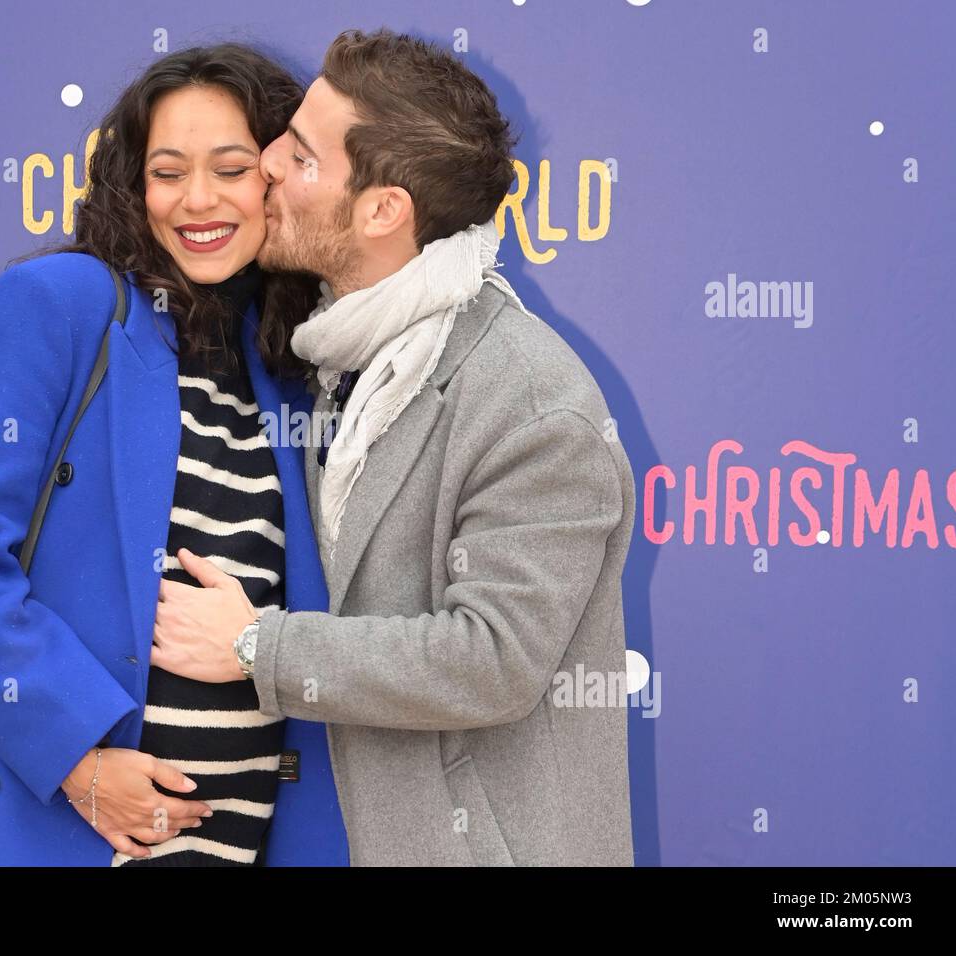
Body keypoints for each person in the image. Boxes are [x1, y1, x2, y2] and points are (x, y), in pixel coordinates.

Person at [152, 28, 637, 866]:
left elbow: (490, 660)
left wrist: (254, 646)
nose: (266, 164)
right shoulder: (338, 354)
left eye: (300, 158)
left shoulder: (531, 401)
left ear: (383, 211)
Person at [0, 43, 349, 866]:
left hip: (247, 843)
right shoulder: (59, 306)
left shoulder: (296, 372)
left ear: (276, 179)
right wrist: (77, 763)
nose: (199, 200)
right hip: (73, 831)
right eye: (168, 171)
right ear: (132, 186)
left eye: (231, 167)